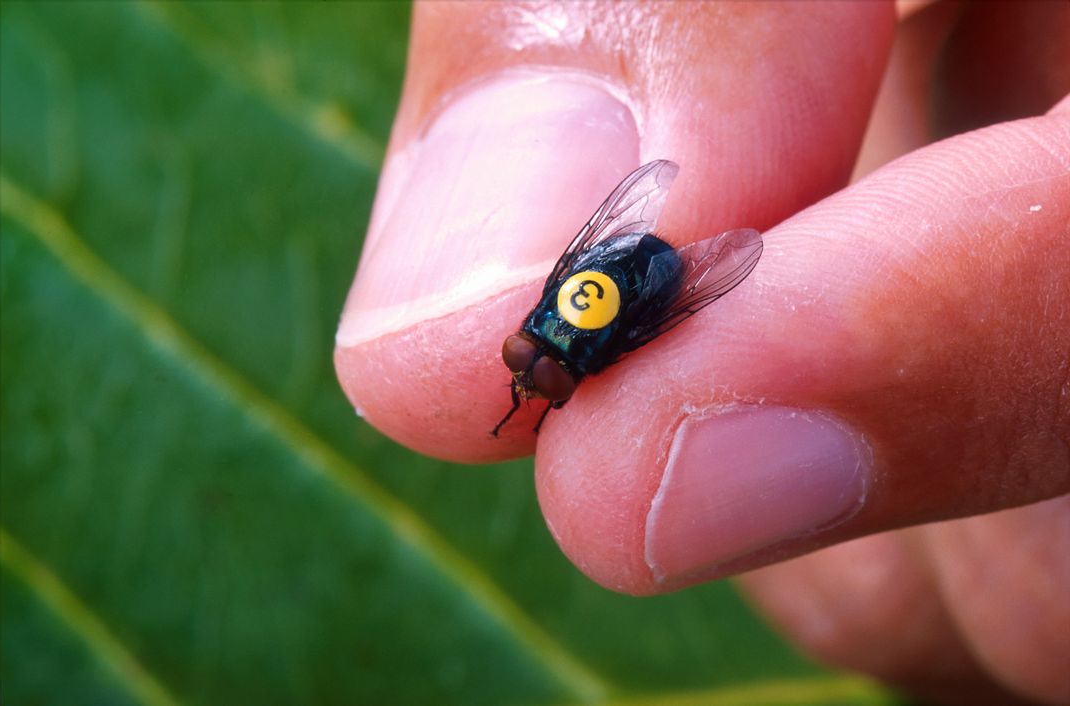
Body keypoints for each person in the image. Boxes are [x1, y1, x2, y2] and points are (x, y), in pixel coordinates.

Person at [334, 2, 1069, 704]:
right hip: (624, 263)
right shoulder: (553, 331)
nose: (531, 374)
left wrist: (630, 323)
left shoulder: (568, 348)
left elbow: (658, 302)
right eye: (538, 371)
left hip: (655, 275)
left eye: (533, 366)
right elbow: (596, 243)